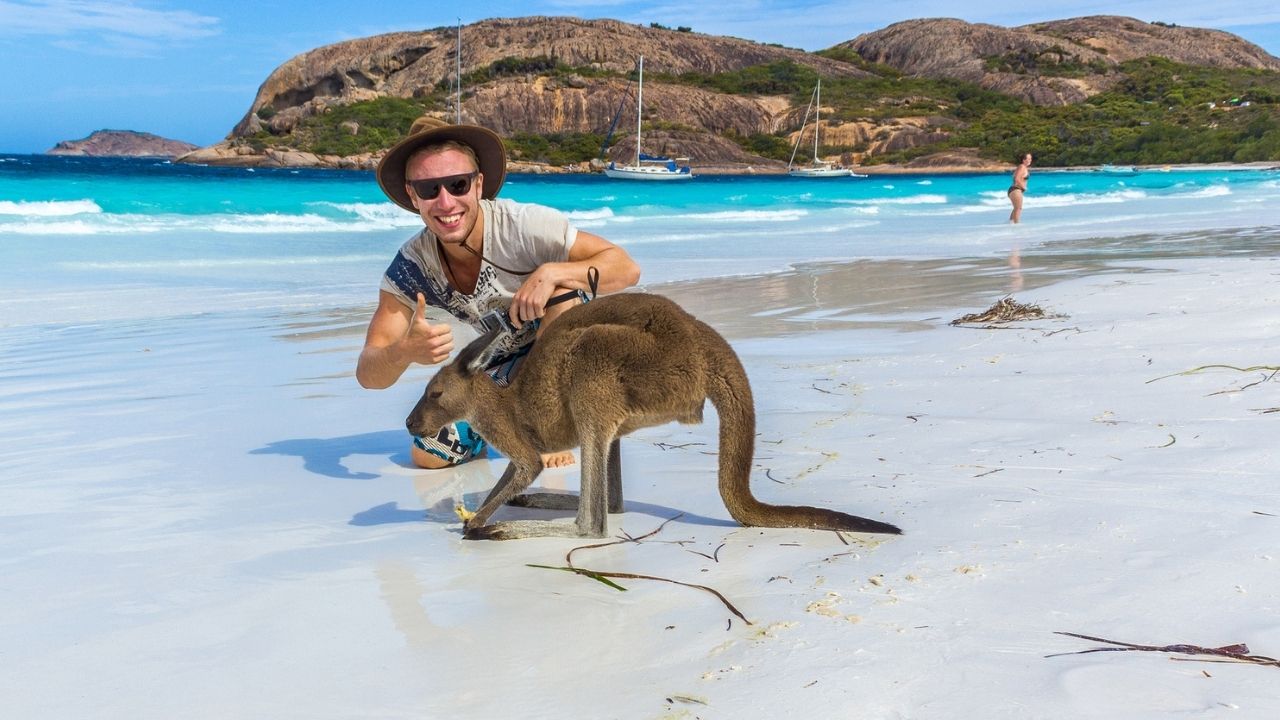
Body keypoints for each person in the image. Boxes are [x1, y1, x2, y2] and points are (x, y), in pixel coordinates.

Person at [357, 116, 641, 469]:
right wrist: (404, 351)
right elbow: (368, 373)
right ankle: (497, 432)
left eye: (457, 184)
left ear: (478, 185)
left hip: (574, 358)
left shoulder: (522, 227)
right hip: (506, 367)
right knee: (428, 454)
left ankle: (551, 425)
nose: (445, 202)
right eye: (429, 189)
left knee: (564, 292)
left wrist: (552, 272)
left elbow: (626, 268)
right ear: (413, 196)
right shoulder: (412, 266)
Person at [1007, 152, 1032, 224]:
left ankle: (1010, 224)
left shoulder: (1022, 167)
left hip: (1015, 190)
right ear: (1023, 160)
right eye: (1028, 159)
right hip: (1016, 189)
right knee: (1018, 208)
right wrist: (1023, 187)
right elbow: (1017, 178)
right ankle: (1016, 225)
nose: (1030, 160)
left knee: (1016, 208)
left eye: (1030, 159)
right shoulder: (1022, 167)